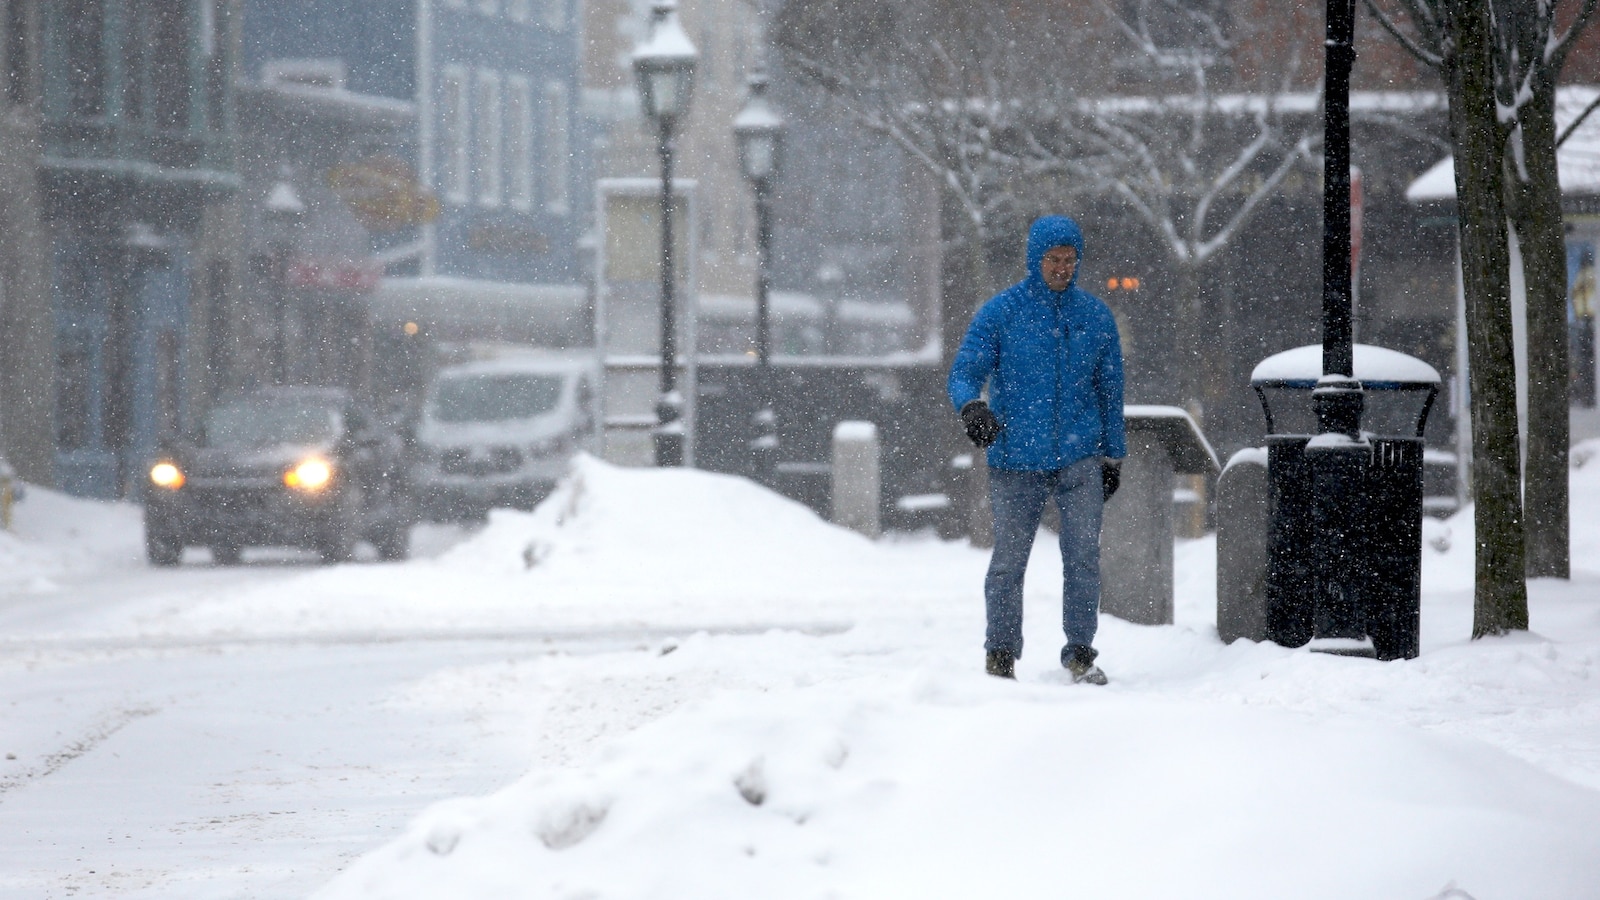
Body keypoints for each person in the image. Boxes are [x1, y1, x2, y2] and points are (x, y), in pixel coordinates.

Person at [947, 215, 1126, 684]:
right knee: (1009, 560)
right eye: (1053, 259)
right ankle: (1000, 653)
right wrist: (971, 406)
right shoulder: (1001, 313)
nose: (1062, 268)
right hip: (1015, 457)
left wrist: (1113, 455)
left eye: (1070, 259)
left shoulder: (1095, 317)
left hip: (1080, 456)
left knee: (1083, 557)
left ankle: (1080, 652)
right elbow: (965, 370)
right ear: (1035, 259)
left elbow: (1111, 390)